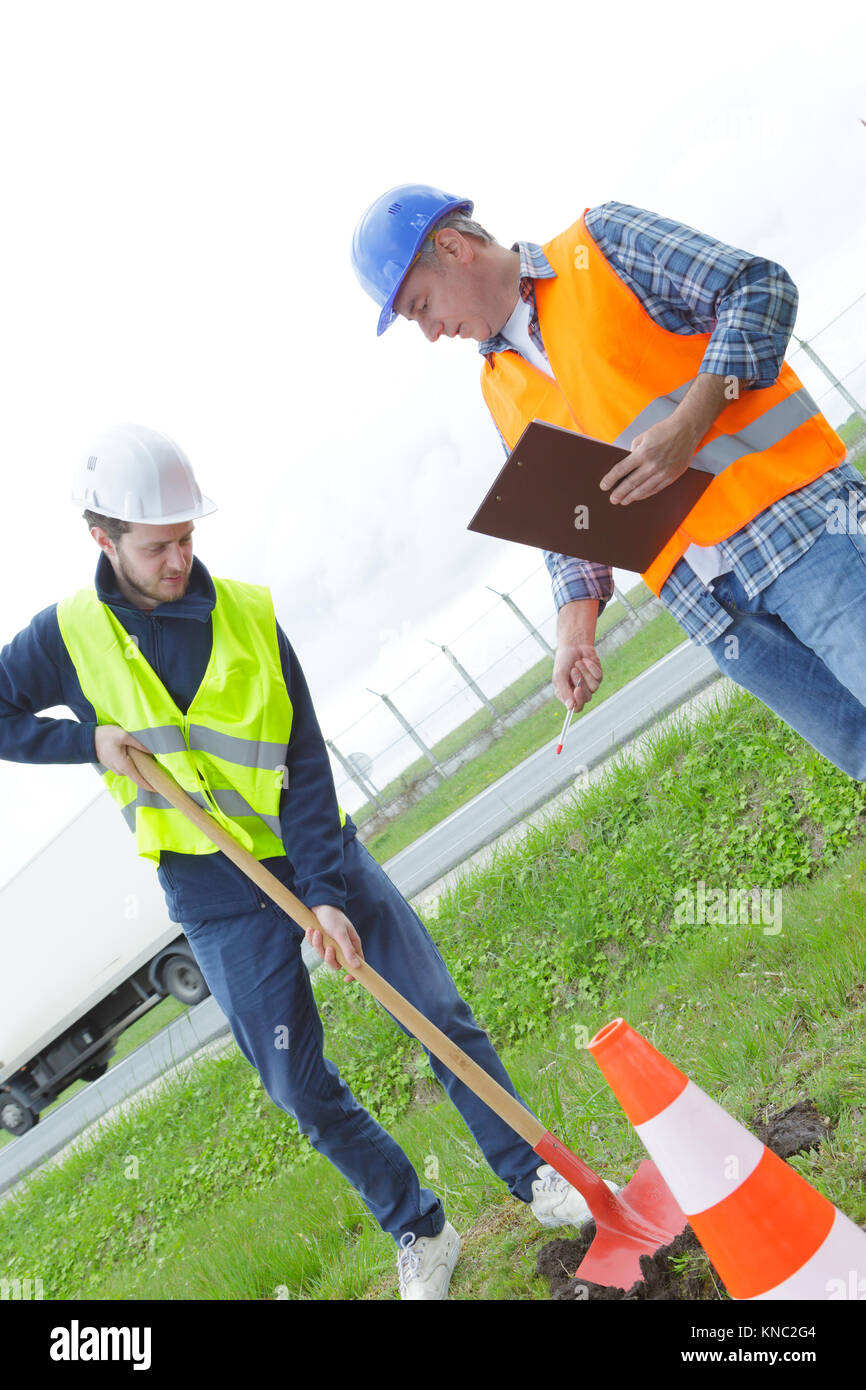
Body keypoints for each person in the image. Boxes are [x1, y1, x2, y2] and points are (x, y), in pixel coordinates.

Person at [0, 422, 610, 1301]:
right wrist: (86, 742)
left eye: (188, 538)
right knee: (294, 1083)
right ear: (104, 539)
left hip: (313, 851)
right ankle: (420, 1228)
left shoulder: (246, 614)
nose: (180, 558)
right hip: (213, 894)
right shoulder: (64, 638)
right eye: (159, 545)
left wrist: (326, 894)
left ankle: (537, 1175)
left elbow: (307, 762)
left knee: (434, 1007)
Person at [351, 186, 866, 780]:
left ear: (452, 247)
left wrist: (691, 421)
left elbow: (758, 289)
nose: (432, 333)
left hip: (802, 538)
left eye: (420, 306)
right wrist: (575, 633)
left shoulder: (601, 247)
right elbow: (572, 522)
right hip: (716, 614)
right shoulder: (499, 387)